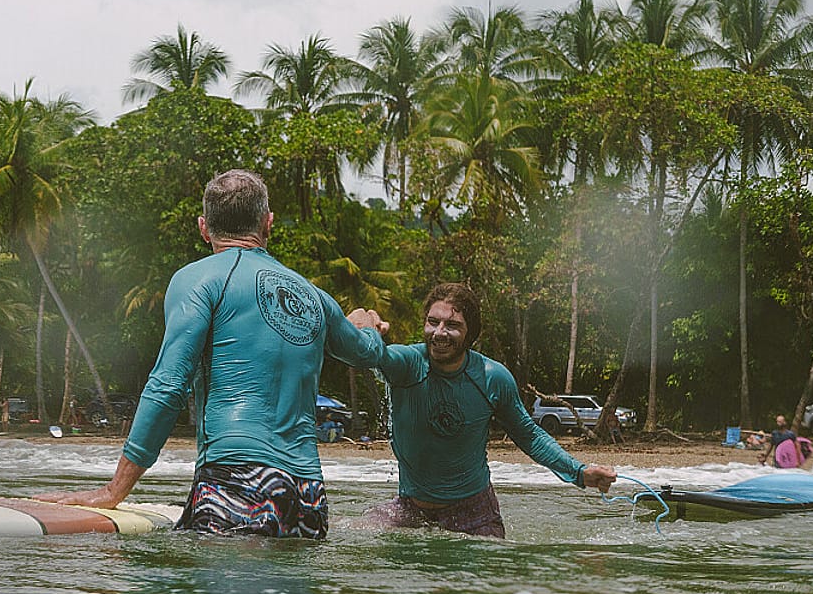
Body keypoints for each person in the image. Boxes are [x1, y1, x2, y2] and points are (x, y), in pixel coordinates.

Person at [38, 169, 387, 539]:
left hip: (235, 480)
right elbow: (366, 352)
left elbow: (168, 385)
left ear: (204, 228)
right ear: (268, 224)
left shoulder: (198, 279)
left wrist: (114, 491)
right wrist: (369, 326)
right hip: (307, 494)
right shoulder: (313, 296)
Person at [361, 283, 617, 538]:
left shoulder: (491, 378)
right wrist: (366, 328)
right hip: (410, 508)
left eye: (452, 325)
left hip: (473, 512)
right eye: (432, 322)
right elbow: (370, 354)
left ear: (471, 334)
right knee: (350, 533)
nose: (439, 333)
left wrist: (578, 472)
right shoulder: (407, 364)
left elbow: (529, 435)